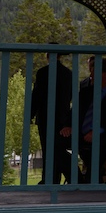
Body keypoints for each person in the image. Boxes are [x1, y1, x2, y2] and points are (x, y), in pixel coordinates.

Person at [60, 58, 106, 182]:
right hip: (81, 133)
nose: (91, 75)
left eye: (94, 72)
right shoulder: (86, 93)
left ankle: (92, 182)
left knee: (95, 153)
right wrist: (68, 125)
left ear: (105, 73)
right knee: (56, 143)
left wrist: (97, 130)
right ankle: (77, 179)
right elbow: (74, 111)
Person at [30, 50, 74, 184]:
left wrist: (30, 115)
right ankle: (58, 177)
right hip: (62, 118)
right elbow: (71, 95)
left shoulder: (43, 73)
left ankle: (52, 178)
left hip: (45, 117)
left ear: (48, 56)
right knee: (58, 149)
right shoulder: (68, 73)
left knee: (48, 149)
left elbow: (36, 96)